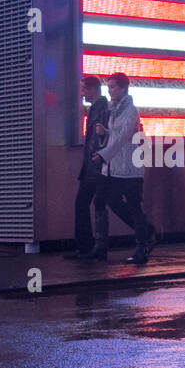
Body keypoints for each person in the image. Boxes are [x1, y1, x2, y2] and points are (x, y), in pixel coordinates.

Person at [90, 72, 156, 265]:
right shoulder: (116, 108)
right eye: (109, 87)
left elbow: (123, 136)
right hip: (117, 166)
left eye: (112, 87)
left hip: (128, 166)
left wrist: (103, 154)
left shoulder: (130, 110)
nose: (109, 91)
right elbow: (118, 134)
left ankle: (142, 244)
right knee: (115, 201)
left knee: (132, 205)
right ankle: (145, 235)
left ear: (123, 88)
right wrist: (106, 132)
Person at [67, 75, 109, 260]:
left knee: (85, 203)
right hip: (95, 163)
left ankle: (87, 247)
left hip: (95, 164)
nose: (82, 93)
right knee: (95, 203)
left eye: (84, 89)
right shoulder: (99, 107)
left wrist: (97, 157)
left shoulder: (100, 108)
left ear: (93, 89)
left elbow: (99, 137)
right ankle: (90, 247)